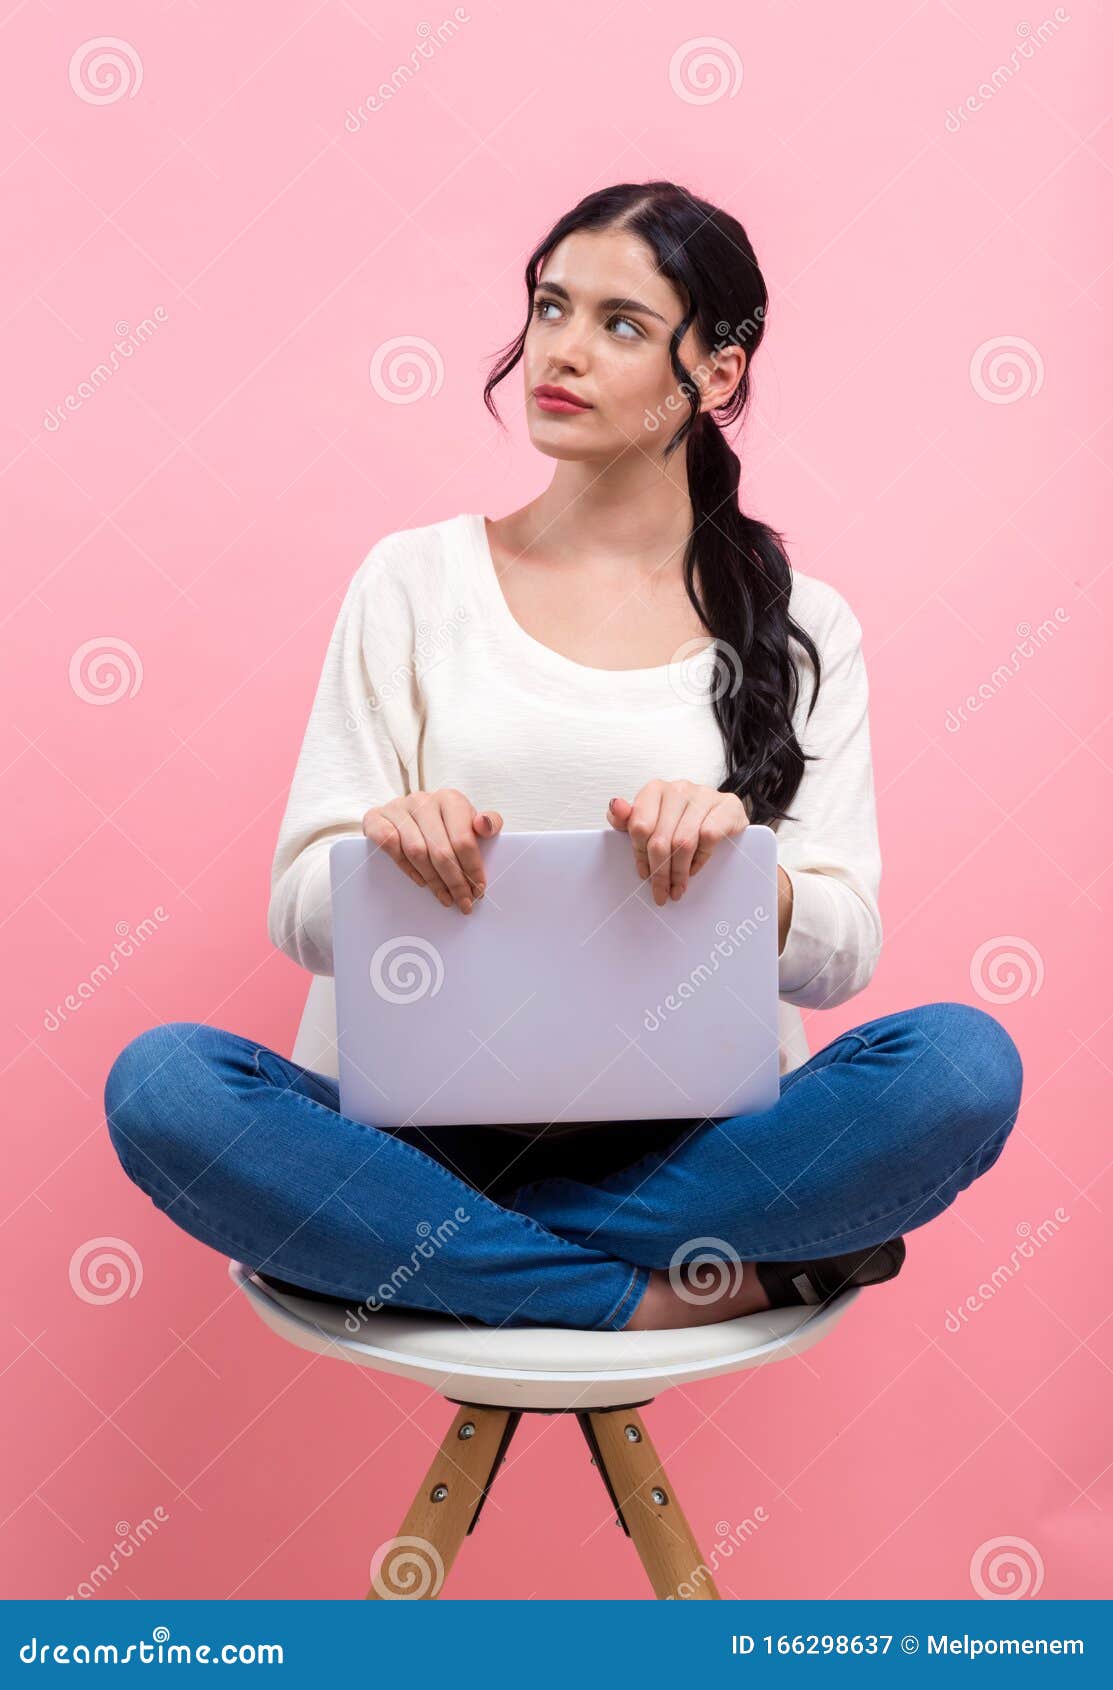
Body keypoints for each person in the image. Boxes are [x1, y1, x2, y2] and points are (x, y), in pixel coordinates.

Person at [103, 180, 1023, 1334]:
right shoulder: (414, 580)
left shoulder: (802, 624)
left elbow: (841, 954)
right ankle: (640, 1294)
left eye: (620, 323)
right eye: (550, 307)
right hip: (413, 1142)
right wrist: (384, 855)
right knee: (164, 1086)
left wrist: (749, 874)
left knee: (963, 1065)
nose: (562, 349)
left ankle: (452, 1255)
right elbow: (297, 909)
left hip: (692, 1148)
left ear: (719, 374)